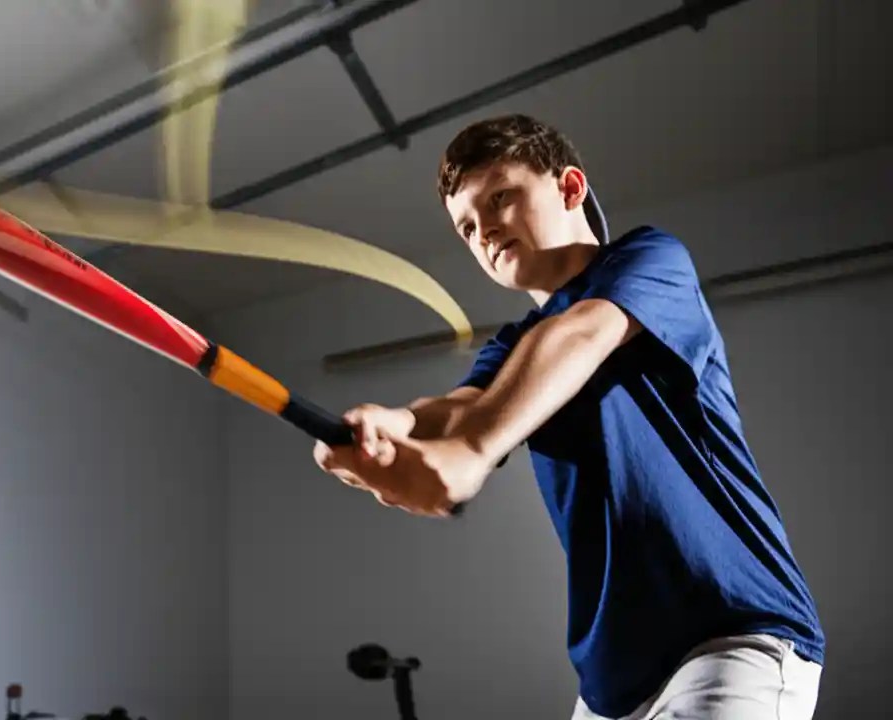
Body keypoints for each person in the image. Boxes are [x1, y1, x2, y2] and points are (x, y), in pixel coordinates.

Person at [312, 114, 825, 719]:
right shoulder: (513, 346)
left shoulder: (650, 260)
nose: (484, 230)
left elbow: (581, 334)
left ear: (570, 187)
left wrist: (470, 451)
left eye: (500, 198)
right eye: (467, 226)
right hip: (611, 684)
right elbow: (463, 406)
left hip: (734, 636)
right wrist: (392, 426)